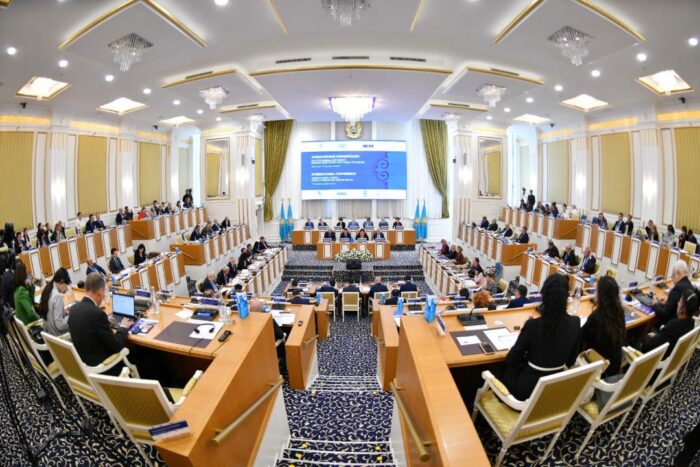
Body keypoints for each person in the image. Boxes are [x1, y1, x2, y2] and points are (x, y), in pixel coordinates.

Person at [501, 274, 581, 400]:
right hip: (555, 387)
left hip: (527, 391)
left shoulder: (533, 325)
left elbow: (511, 359)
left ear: (543, 295)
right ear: (567, 297)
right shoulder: (575, 322)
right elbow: (571, 361)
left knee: (503, 372)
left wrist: (526, 332)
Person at [68, 273, 133, 373]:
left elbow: (90, 326)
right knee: (136, 355)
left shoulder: (74, 308)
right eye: (103, 293)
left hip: (84, 364)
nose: (103, 296)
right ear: (100, 291)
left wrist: (104, 322)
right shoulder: (98, 314)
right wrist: (123, 326)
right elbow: (116, 345)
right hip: (103, 369)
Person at [581, 276, 626, 378]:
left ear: (601, 295)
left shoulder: (597, 316)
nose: (595, 293)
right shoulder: (620, 312)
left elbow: (582, 335)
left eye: (596, 290)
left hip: (599, 367)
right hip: (614, 365)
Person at [642, 286, 697, 358]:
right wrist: (657, 336)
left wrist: (648, 337)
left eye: (679, 302)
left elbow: (647, 347)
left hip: (656, 358)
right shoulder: (691, 323)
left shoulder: (673, 326)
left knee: (635, 340)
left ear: (682, 309)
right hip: (671, 356)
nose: (677, 304)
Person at [652, 260, 693, 326]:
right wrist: (667, 302)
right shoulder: (690, 285)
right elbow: (674, 305)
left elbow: (664, 314)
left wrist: (655, 304)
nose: (672, 278)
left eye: (673, 275)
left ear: (678, 273)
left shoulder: (677, 288)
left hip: (669, 326)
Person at [39, 267, 72, 336]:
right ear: (62, 281)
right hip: (60, 337)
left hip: (50, 335)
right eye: (66, 285)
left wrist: (63, 311)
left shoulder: (47, 290)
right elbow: (60, 325)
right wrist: (72, 315)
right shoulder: (57, 297)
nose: (66, 288)